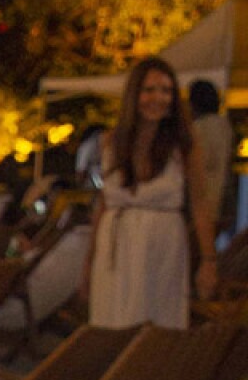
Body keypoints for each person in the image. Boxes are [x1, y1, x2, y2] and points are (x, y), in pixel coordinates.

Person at [87, 56, 216, 325]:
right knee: (112, 323)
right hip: (115, 245)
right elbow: (103, 205)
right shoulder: (112, 142)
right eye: (149, 90)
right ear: (135, 94)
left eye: (166, 90)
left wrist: (208, 260)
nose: (158, 98)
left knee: (158, 323)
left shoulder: (184, 146)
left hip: (163, 245)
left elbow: (200, 205)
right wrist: (88, 262)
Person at [187, 78, 234, 245]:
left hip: (197, 209)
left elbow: (194, 170)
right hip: (217, 207)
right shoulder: (225, 128)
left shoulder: (197, 130)